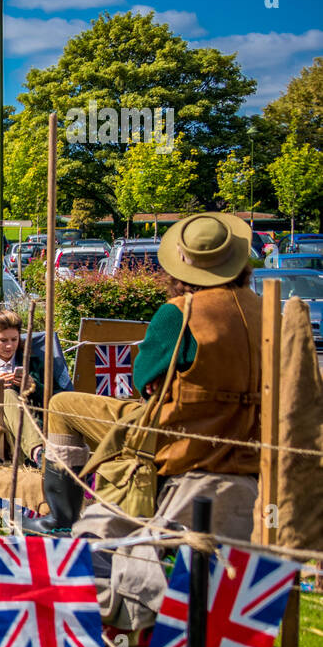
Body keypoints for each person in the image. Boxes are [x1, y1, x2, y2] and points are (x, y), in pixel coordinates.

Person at [32, 213, 261, 557]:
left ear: (183, 264)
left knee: (61, 406)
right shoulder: (265, 309)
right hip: (248, 440)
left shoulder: (180, 312)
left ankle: (60, 521)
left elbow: (144, 379)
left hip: (177, 436)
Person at [0, 310, 64, 466]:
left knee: (9, 395)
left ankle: (33, 456)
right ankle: (38, 452)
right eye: (3, 340)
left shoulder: (34, 363)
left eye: (14, 339)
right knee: (8, 394)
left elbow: (57, 400)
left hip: (31, 420)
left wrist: (34, 386)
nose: (9, 345)